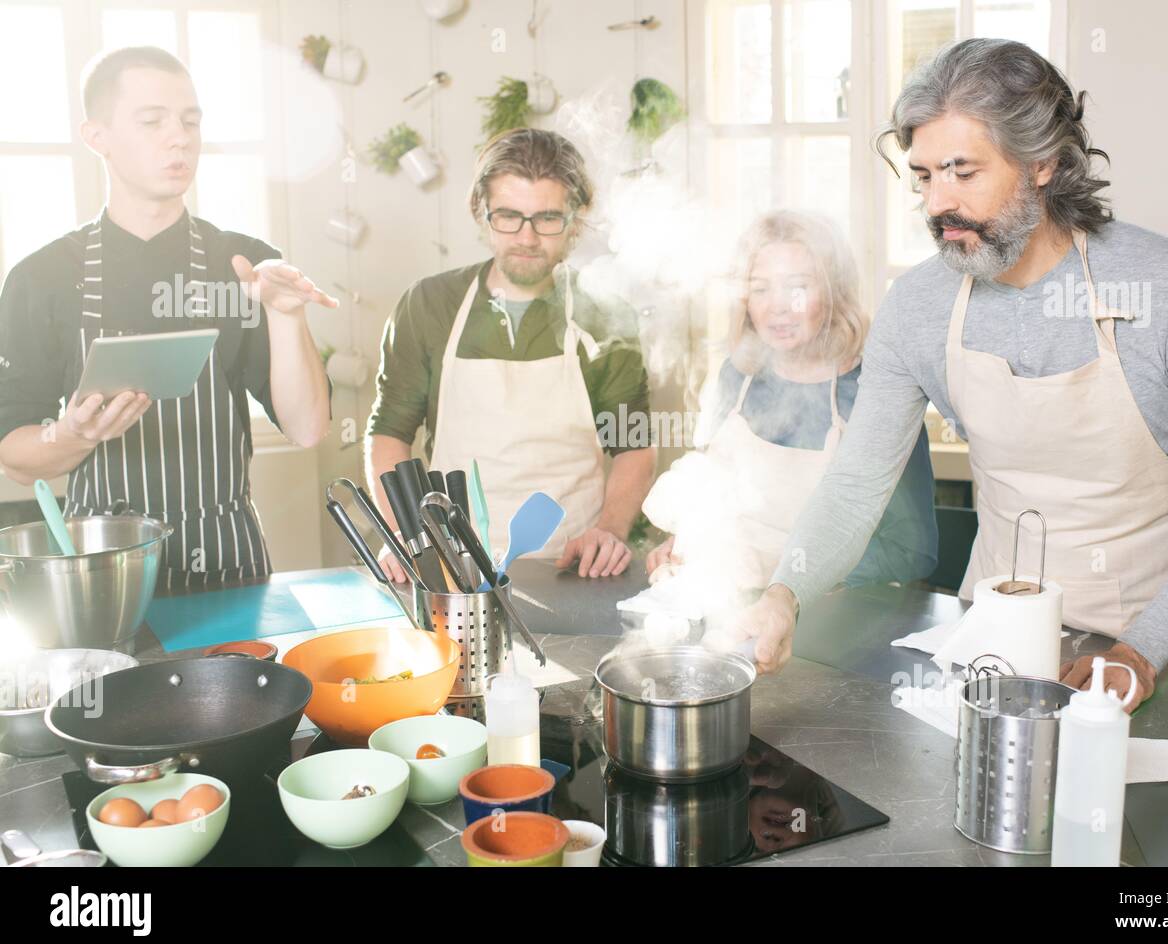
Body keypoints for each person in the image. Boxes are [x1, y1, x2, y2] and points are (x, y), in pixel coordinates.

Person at [727, 39, 1168, 712]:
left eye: (963, 173)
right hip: (987, 646)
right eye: (925, 176)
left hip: (1154, 653)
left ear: (1041, 163)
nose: (937, 205)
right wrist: (785, 594)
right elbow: (856, 483)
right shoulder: (920, 306)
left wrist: (1141, 650)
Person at [0, 46, 335, 588]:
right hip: (104, 576)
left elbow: (307, 427)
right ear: (97, 137)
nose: (179, 137)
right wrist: (73, 435)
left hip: (227, 565)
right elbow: (14, 457)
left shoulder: (243, 263)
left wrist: (285, 315)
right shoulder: (43, 277)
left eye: (191, 121)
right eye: (152, 121)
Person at [366, 128, 656, 580]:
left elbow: (633, 447)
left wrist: (610, 530)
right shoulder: (428, 305)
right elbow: (388, 434)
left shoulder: (605, 314)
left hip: (573, 568)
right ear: (481, 213)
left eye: (547, 218)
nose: (527, 237)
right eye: (508, 216)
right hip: (452, 566)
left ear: (575, 222)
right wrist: (405, 534)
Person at [642, 210, 936, 592]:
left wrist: (786, 576)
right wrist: (688, 545)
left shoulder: (876, 393)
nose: (777, 307)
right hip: (738, 602)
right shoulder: (737, 378)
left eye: (796, 287)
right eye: (761, 288)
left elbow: (913, 551)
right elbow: (715, 502)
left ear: (833, 293)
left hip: (841, 617)